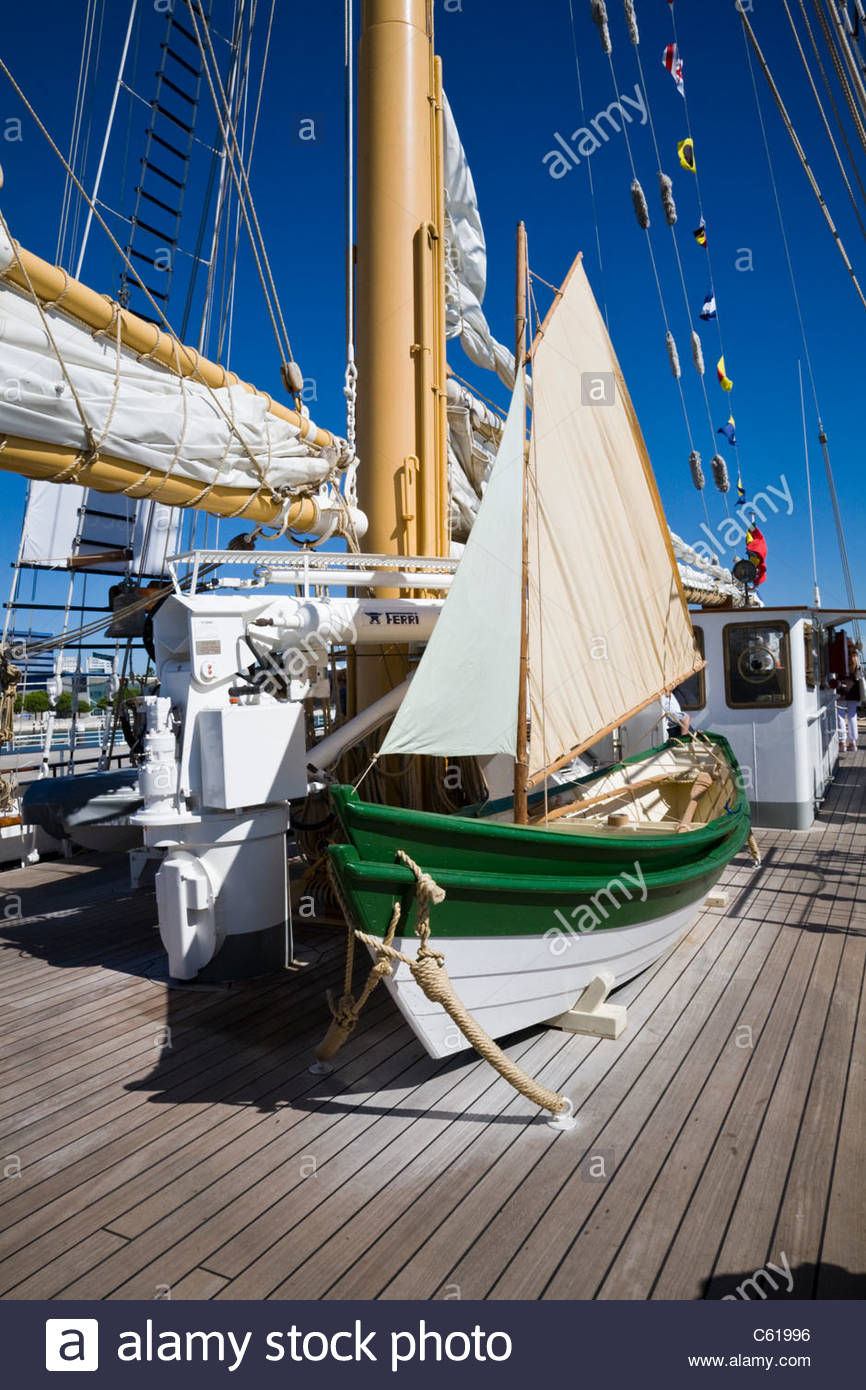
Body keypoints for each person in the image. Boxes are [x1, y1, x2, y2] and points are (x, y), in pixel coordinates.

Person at [836, 648, 861, 752]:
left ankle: (842, 742)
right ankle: (853, 742)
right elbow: (859, 676)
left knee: (840, 715)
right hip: (854, 691)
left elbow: (836, 674)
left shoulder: (840, 658)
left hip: (842, 689)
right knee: (852, 716)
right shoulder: (856, 660)